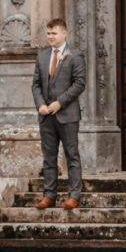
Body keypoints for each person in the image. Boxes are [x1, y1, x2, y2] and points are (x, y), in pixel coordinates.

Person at [31, 17, 85, 210]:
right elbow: (36, 84)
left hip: (68, 115)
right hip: (46, 116)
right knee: (49, 157)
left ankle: (74, 196)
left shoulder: (75, 55)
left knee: (72, 155)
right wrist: (40, 105)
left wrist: (59, 103)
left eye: (54, 33)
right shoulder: (42, 56)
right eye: (48, 33)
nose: (50, 37)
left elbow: (79, 84)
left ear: (64, 33)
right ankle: (49, 195)